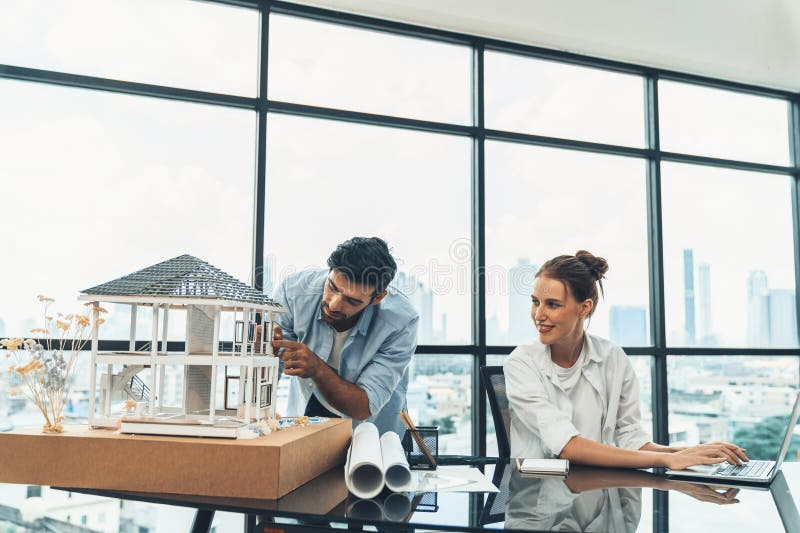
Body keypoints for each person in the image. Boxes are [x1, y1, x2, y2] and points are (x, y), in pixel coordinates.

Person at [504, 250, 749, 470]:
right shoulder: (521, 363)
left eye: (552, 305)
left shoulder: (612, 357)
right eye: (535, 302)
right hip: (538, 498)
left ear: (584, 308)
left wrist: (690, 452)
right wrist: (667, 459)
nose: (539, 315)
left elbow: (631, 438)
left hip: (596, 490)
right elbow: (568, 446)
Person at [271, 237, 418, 436]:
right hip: (306, 421)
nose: (333, 305)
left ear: (377, 298)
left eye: (352, 300)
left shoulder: (401, 322)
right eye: (332, 287)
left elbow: (363, 407)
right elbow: (271, 359)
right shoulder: (293, 292)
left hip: (372, 434)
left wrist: (317, 368)